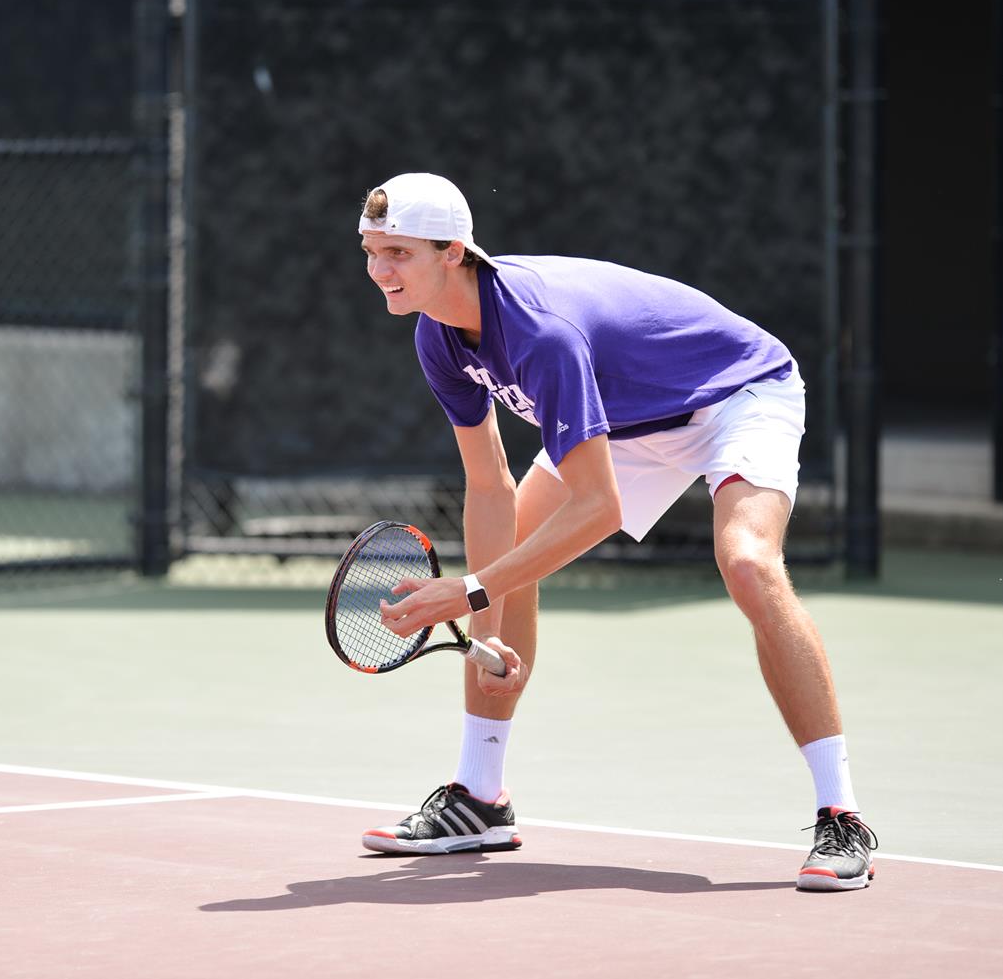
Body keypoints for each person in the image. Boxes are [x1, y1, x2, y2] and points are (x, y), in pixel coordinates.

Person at [356, 172, 878, 892]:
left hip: (734, 394)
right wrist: (486, 611)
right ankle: (480, 797)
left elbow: (596, 507)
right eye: (372, 250)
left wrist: (471, 590)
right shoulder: (437, 338)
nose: (380, 270)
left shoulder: (541, 332)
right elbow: (489, 487)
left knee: (749, 564)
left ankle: (842, 814)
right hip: (629, 421)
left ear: (453, 253)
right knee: (516, 556)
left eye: (398, 252)